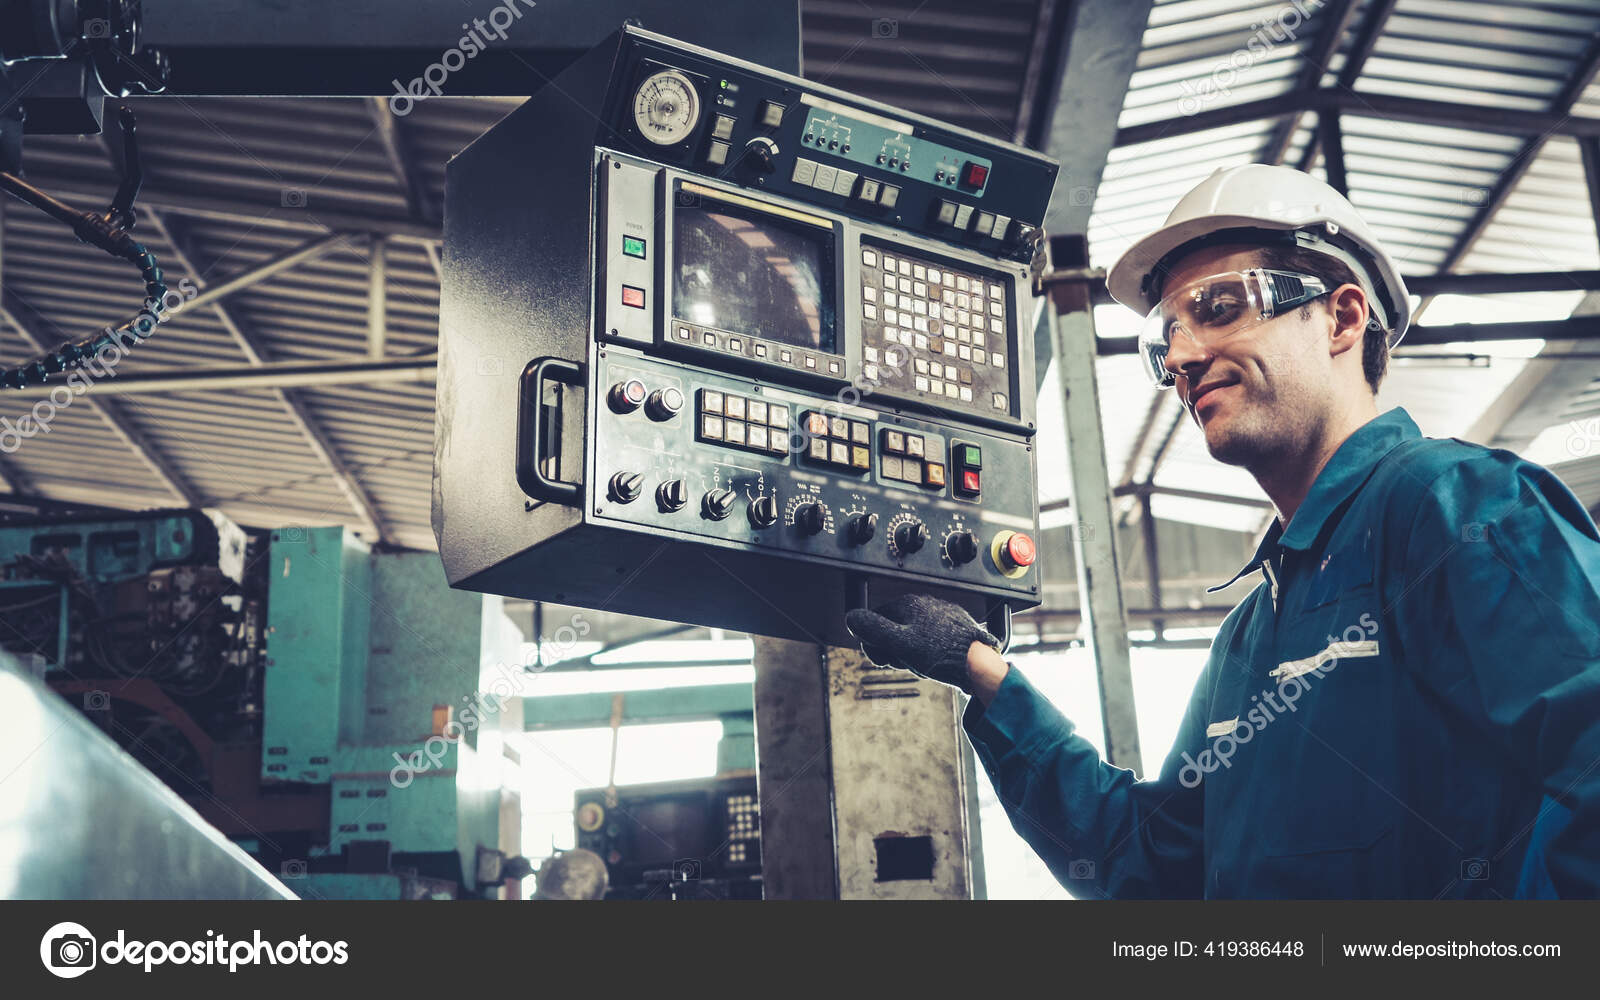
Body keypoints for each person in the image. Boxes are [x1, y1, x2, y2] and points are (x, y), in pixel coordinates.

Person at [845, 164, 1600, 899]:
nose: (1179, 358)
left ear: (1341, 318)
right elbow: (1149, 865)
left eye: (1218, 307)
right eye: (1166, 335)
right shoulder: (1250, 635)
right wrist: (984, 673)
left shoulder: (1459, 508)